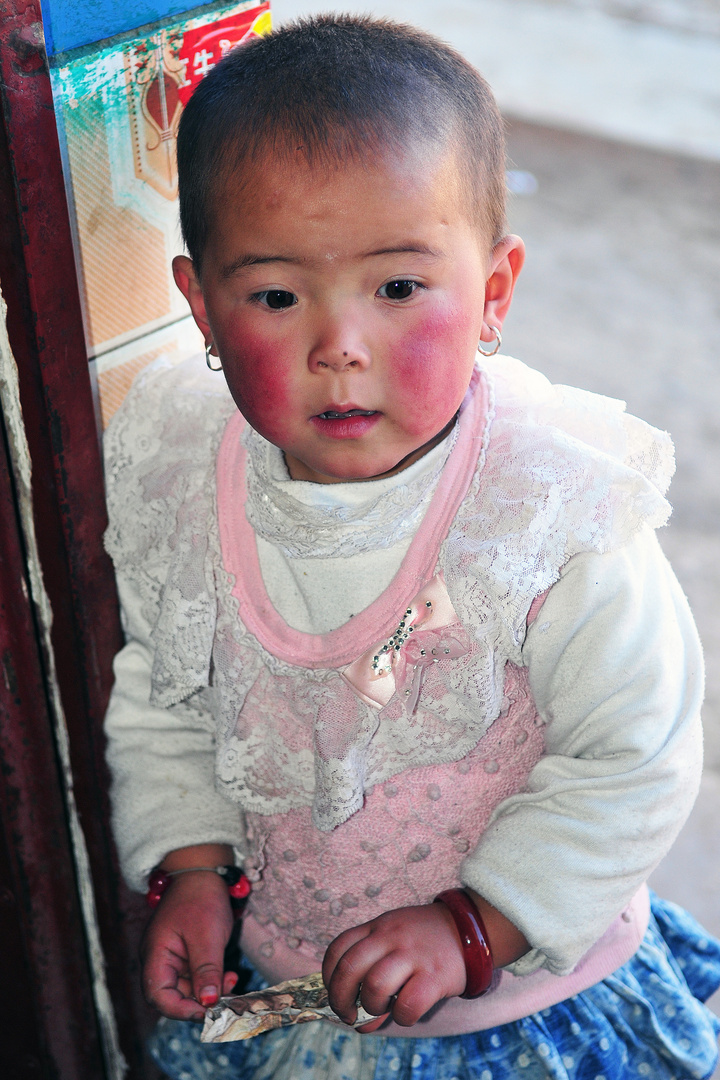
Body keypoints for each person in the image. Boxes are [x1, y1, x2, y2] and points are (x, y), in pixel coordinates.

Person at [103, 14, 720, 1080]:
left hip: (519, 1007)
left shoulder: (547, 510)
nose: (340, 345)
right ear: (200, 307)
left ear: (493, 293)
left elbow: (636, 752)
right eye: (276, 296)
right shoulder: (183, 475)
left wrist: (477, 925)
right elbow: (165, 690)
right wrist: (191, 866)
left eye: (397, 288)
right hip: (294, 992)